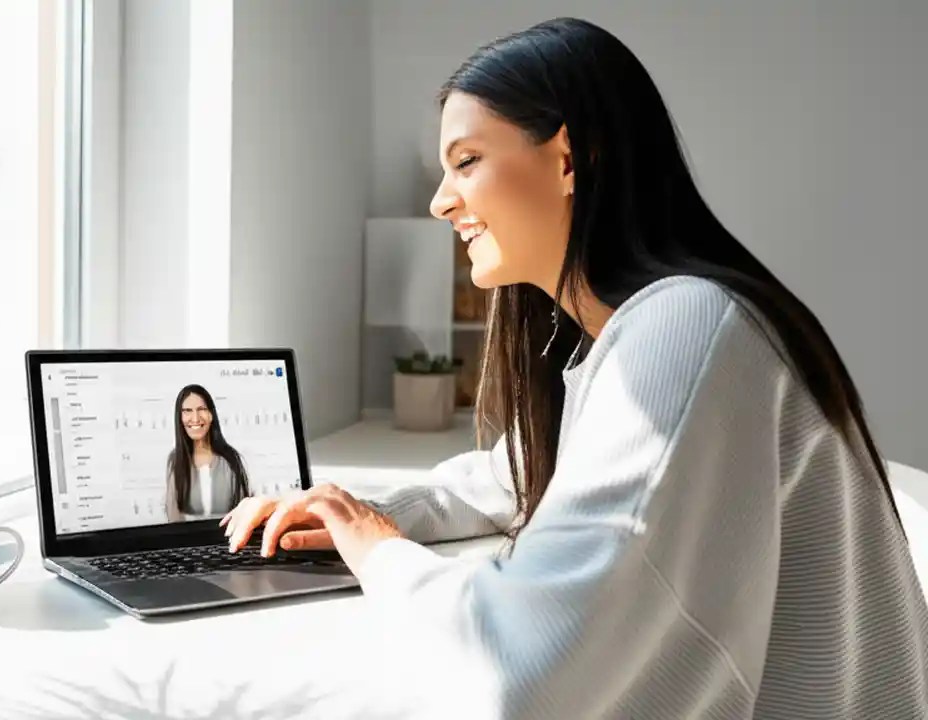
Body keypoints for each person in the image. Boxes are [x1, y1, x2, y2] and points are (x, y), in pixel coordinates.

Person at [221, 17, 928, 719]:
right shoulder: (619, 342)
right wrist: (350, 514)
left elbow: (521, 670)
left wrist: (380, 553)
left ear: (568, 159)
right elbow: (507, 477)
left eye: (466, 162)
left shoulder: (685, 326)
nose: (441, 201)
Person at [164, 384, 251, 521]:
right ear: (179, 418)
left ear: (211, 415)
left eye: (201, 409)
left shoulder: (231, 459)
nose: (195, 418)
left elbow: (244, 513)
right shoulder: (175, 460)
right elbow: (173, 516)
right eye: (187, 410)